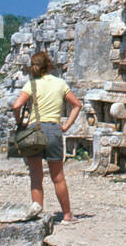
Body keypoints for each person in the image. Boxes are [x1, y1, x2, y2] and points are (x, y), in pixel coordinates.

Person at [10, 51, 80, 223]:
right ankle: (67, 215)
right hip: (54, 130)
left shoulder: (31, 85)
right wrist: (66, 126)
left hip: (34, 130)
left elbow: (16, 105)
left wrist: (20, 122)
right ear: (49, 65)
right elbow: (77, 105)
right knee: (58, 177)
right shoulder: (60, 83)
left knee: (35, 176)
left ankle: (37, 214)